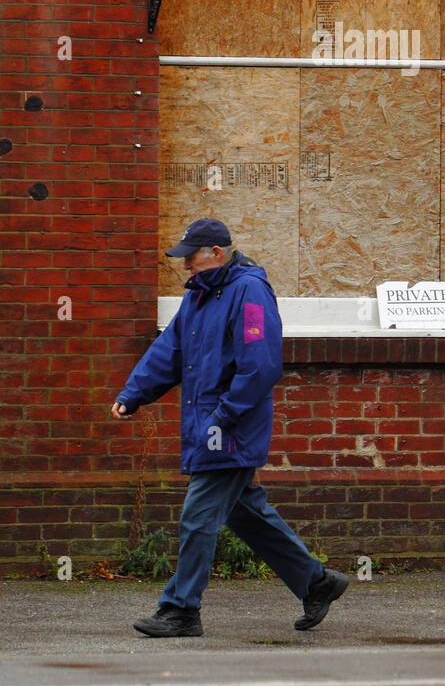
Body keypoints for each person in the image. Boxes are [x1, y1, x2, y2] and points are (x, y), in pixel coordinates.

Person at [111, 218, 348, 637]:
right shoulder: (200, 296)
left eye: (192, 257)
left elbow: (261, 364)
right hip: (210, 424)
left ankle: (180, 609)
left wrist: (224, 416)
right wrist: (134, 393)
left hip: (230, 426)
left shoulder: (250, 291)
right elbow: (170, 349)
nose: (185, 266)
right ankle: (316, 582)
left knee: (198, 517)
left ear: (217, 253)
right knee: (245, 513)